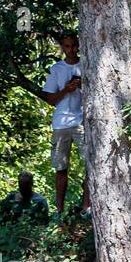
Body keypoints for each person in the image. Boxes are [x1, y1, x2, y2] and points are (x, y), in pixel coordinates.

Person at [41, 33, 91, 219]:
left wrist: (82, 86)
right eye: (67, 46)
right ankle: (59, 211)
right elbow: (50, 99)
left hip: (82, 122)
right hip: (61, 123)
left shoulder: (87, 65)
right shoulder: (56, 69)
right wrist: (66, 90)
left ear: (79, 45)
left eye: (74, 46)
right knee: (61, 168)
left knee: (91, 165)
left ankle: (87, 207)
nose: (71, 50)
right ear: (62, 47)